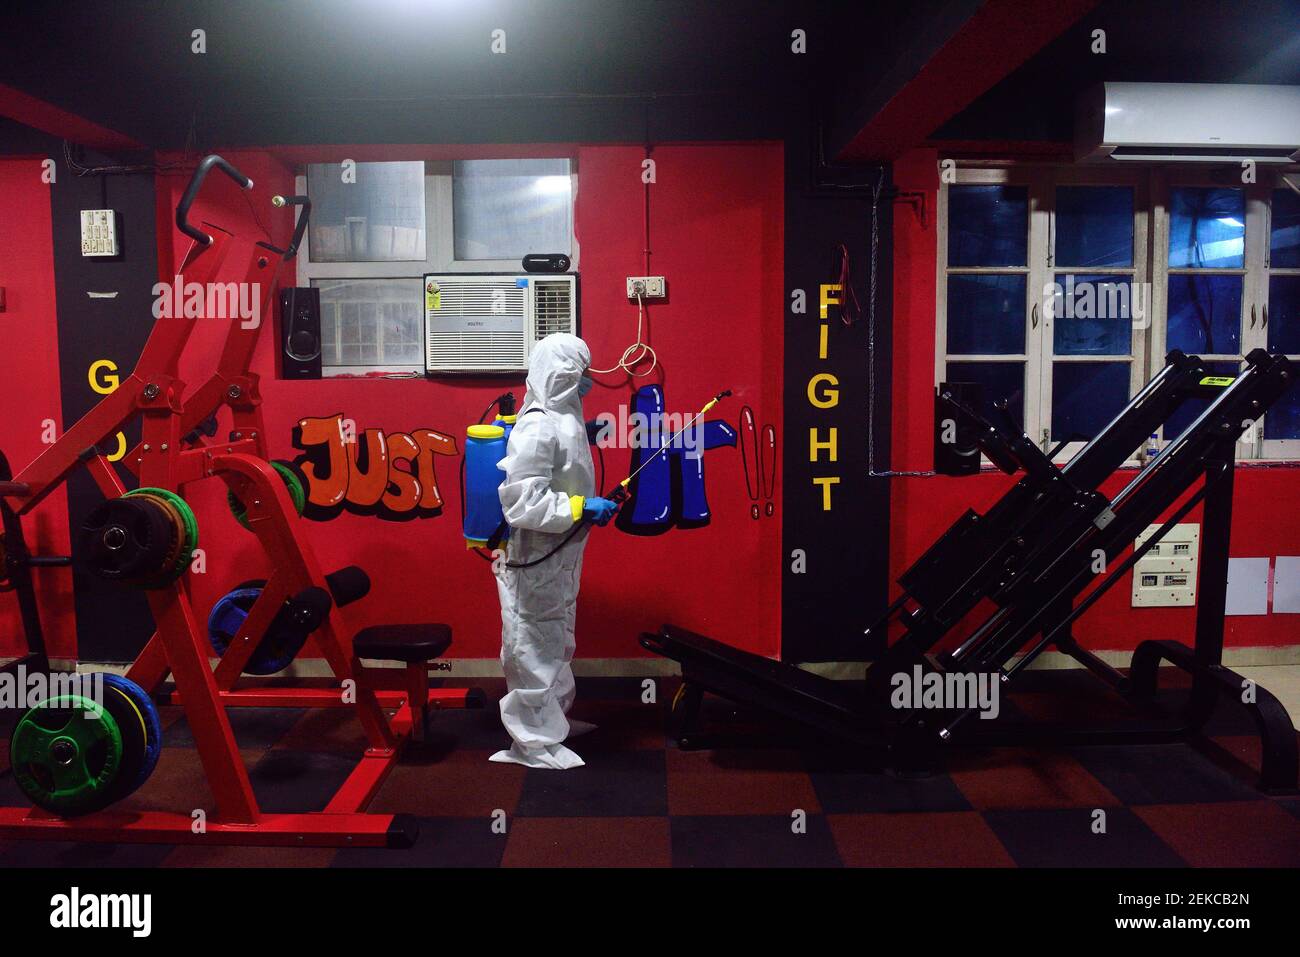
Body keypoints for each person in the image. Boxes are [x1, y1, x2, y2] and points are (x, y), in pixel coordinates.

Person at [490, 333, 619, 769]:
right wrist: (582, 506)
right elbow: (522, 503)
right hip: (536, 554)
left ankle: (553, 720)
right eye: (579, 375)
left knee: (558, 635)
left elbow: (557, 471)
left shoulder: (563, 418)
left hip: (561, 551)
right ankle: (532, 743)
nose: (585, 383)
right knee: (533, 642)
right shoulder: (538, 423)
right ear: (560, 375)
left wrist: (582, 438)